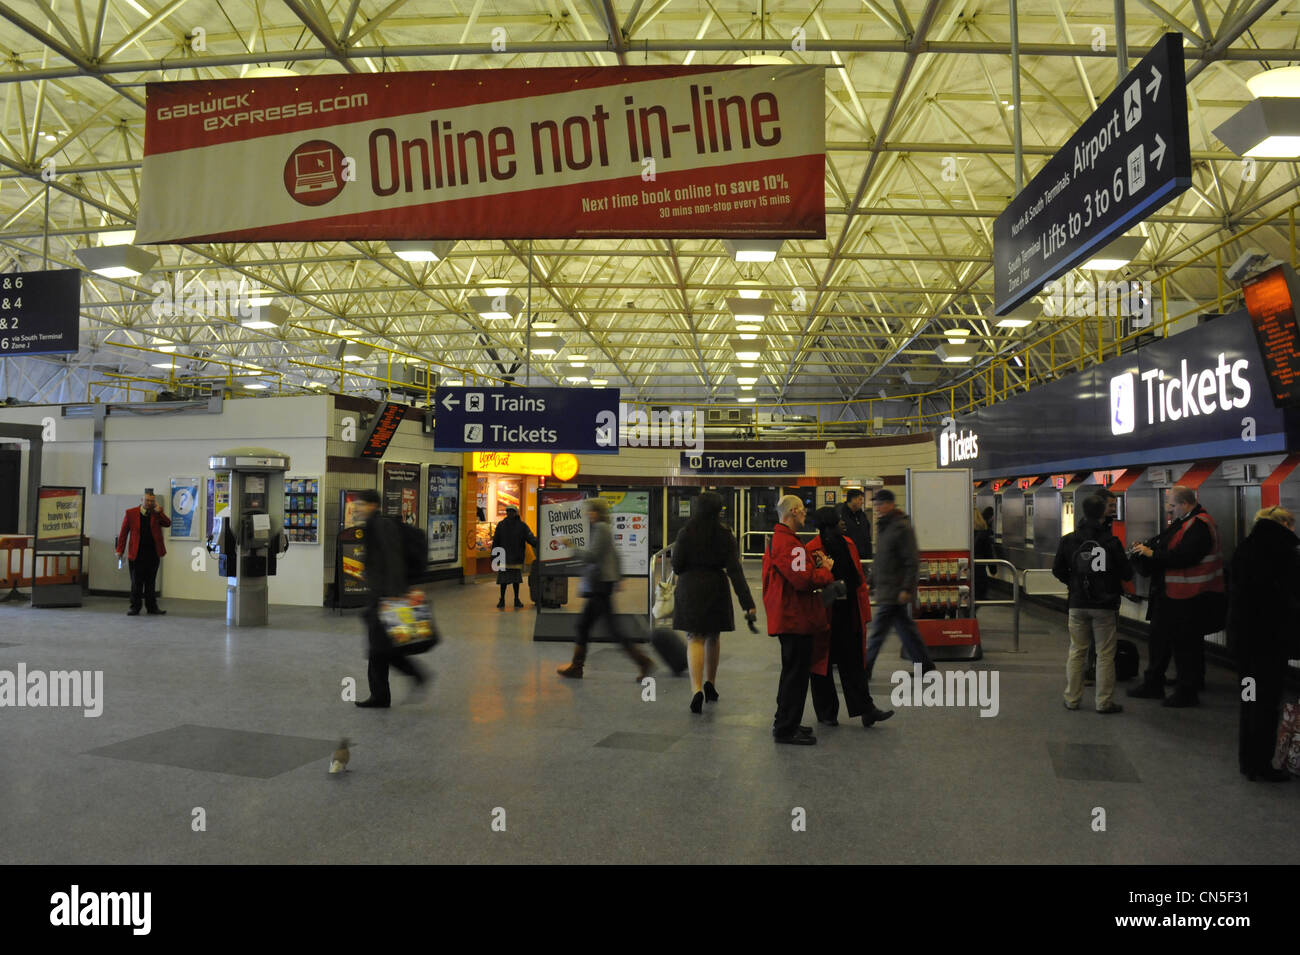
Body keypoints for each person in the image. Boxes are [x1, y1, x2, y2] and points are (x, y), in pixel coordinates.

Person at [1129, 485, 1225, 707]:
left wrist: (1152, 553)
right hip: (1178, 593)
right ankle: (1174, 683)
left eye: (1172, 506)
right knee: (1174, 640)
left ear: (1185, 503)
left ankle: (1185, 690)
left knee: (1183, 644)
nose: (1169, 511)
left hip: (1189, 595)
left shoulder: (1198, 524)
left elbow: (1185, 556)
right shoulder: (1189, 521)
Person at [670, 491, 757, 713]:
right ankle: (711, 683)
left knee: (695, 638)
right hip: (716, 587)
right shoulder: (725, 535)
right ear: (719, 510)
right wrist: (747, 602)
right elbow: (735, 571)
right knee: (713, 636)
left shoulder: (686, 532)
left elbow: (677, 565)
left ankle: (696, 689)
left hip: (690, 588)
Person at [1230, 506, 1299, 782]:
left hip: (1244, 643)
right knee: (1267, 703)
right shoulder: (1284, 552)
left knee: (1249, 701)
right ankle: (1261, 764)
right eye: (1291, 524)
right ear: (1283, 523)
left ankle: (1247, 761)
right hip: (1269, 643)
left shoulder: (1244, 548)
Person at [808, 506, 893, 728]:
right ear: (828, 525)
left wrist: (864, 610)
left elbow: (858, 580)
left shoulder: (849, 544)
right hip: (826, 615)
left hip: (849, 614)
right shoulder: (812, 549)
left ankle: (866, 709)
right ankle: (827, 713)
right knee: (821, 667)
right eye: (838, 520)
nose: (842, 523)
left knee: (854, 664)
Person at [762, 494, 834, 745]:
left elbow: (797, 572)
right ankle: (785, 728)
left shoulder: (780, 541)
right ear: (792, 511)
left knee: (791, 672)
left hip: (788, 615)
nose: (806, 513)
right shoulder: (789, 543)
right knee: (796, 674)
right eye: (802, 510)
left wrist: (813, 566)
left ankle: (786, 721)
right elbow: (803, 580)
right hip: (794, 617)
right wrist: (824, 571)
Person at [556, 498, 654, 680]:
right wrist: (618, 577)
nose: (588, 514)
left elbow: (592, 556)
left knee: (609, 630)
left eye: (590, 511)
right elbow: (615, 555)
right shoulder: (603, 529)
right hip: (602, 584)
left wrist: (570, 546)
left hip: (599, 585)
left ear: (598, 512)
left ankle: (643, 661)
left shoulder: (601, 528)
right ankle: (577, 667)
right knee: (586, 625)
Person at [1052, 493, 1133, 713]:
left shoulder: (1069, 539)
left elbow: (1057, 569)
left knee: (1077, 650)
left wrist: (1075, 583)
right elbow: (1127, 572)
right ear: (1102, 515)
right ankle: (1103, 702)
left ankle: (1072, 698)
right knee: (1105, 653)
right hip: (1104, 605)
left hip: (1077, 603)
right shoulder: (1111, 541)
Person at [354, 489, 428, 708]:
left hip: (386, 595)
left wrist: (395, 595)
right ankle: (380, 695)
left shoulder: (381, 526)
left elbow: (393, 559)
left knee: (380, 648)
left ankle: (415, 675)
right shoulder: (373, 526)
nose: (357, 508)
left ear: (372, 505)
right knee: (380, 647)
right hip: (382, 593)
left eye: (361, 504)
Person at [864, 489, 935, 680]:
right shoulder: (885, 527)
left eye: (879, 504)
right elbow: (881, 558)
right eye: (875, 504)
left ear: (889, 504)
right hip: (888, 588)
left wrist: (906, 588)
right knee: (906, 631)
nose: (876, 508)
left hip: (894, 590)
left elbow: (912, 561)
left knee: (878, 633)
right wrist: (870, 580)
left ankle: (865, 669)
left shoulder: (901, 528)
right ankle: (925, 665)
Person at [116, 489, 171, 616]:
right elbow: (124, 533)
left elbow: (167, 523)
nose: (149, 503)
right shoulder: (131, 513)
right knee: (136, 583)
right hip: (136, 554)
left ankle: (152, 607)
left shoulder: (156, 513)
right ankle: (135, 607)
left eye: (152, 501)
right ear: (142, 500)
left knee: (151, 582)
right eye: (147, 500)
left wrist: (160, 512)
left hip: (153, 554)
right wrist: (120, 550)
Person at [491, 505, 538, 609]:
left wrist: (494, 556)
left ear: (515, 513)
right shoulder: (520, 525)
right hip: (514, 557)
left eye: (511, 511)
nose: (510, 513)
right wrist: (538, 543)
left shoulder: (502, 525)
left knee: (507, 580)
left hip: (508, 557)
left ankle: (507, 600)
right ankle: (511, 599)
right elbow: (530, 538)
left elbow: (496, 541)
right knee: (513, 580)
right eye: (509, 511)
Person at [837, 488, 872, 560]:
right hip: (847, 558)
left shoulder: (862, 515)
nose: (862, 502)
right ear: (853, 499)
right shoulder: (841, 516)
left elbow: (867, 536)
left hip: (863, 557)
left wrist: (869, 556)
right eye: (860, 499)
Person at [972, 509, 994, 602]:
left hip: (968, 567)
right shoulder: (984, 533)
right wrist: (993, 569)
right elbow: (988, 552)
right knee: (979, 595)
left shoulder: (964, 533)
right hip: (979, 569)